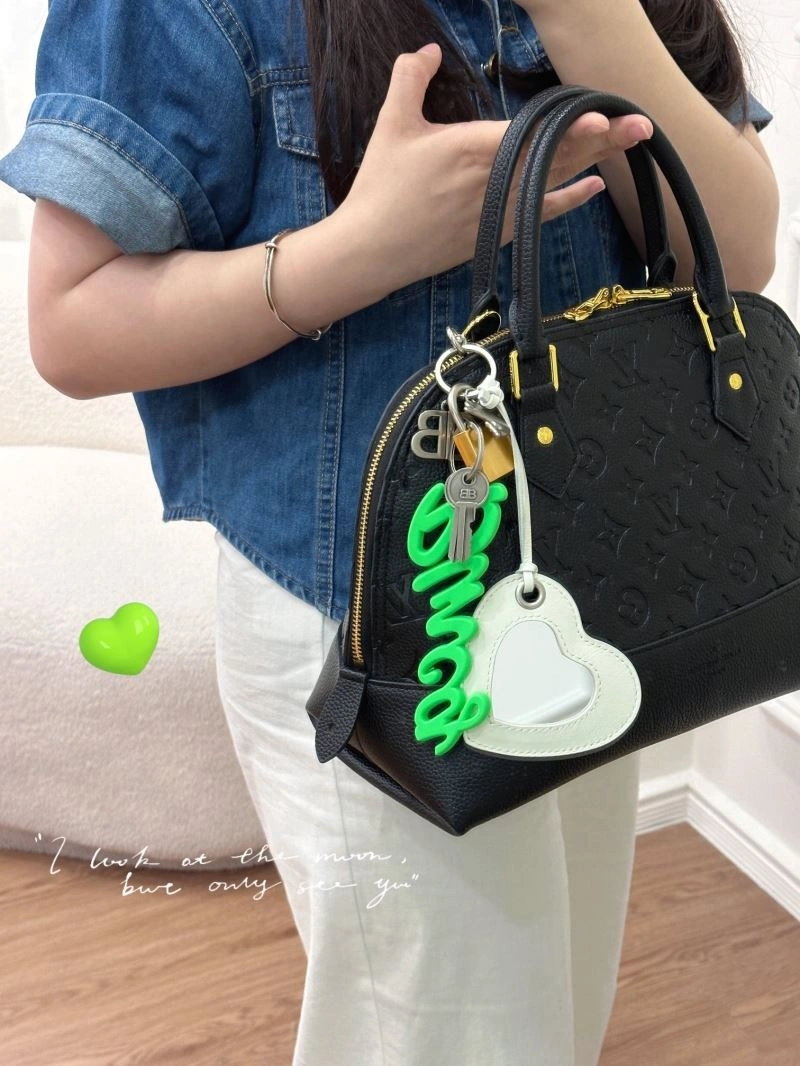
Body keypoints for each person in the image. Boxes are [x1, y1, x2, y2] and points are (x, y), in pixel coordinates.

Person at [0, 1, 778, 1063]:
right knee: (446, 1037)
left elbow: (739, 253)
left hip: (593, 589)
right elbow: (71, 323)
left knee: (554, 1015)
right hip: (374, 632)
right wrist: (362, 251)